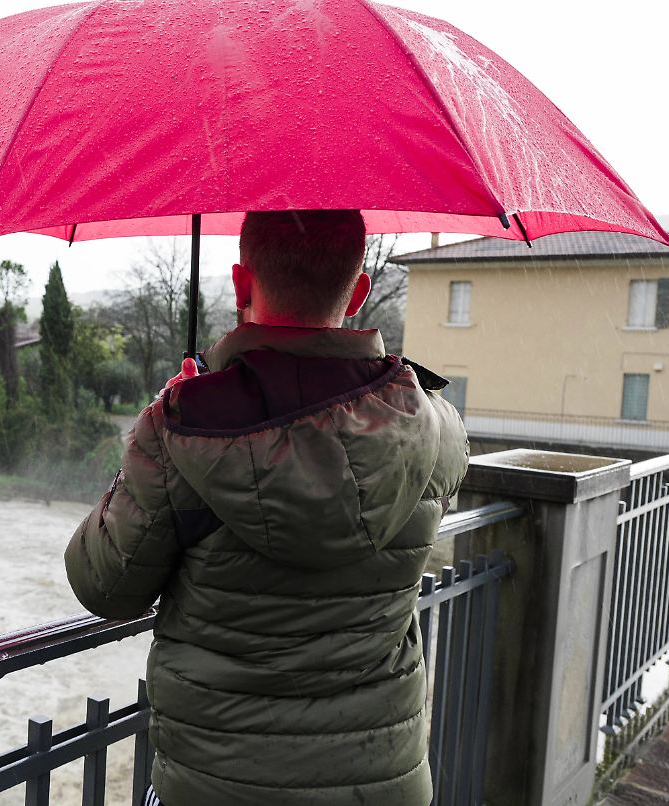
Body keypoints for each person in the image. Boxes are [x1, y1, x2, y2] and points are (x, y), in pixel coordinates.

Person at [64, 209, 468, 806]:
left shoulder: (186, 430)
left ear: (241, 284)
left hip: (216, 786)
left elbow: (104, 585)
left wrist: (160, 427)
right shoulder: (435, 426)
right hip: (380, 782)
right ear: (358, 292)